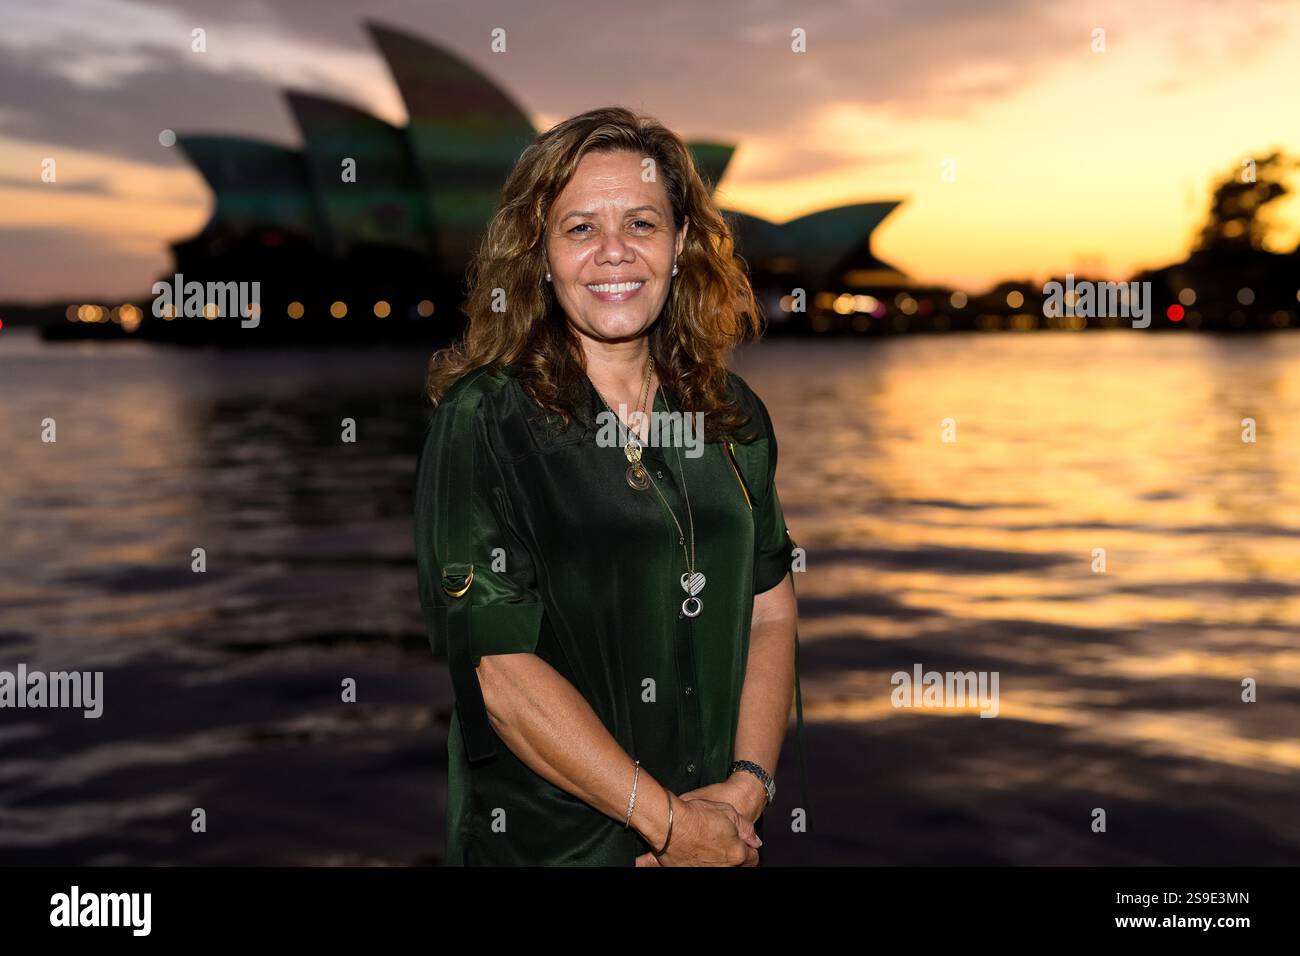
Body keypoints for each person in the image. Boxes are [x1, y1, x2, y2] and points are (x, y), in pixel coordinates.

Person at [414, 105, 802, 866]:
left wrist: (745, 791)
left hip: (722, 838)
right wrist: (668, 825)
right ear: (540, 250)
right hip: (556, 848)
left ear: (682, 241)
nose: (614, 254)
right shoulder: (485, 420)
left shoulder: (731, 416)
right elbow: (500, 672)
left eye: (643, 224)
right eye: (581, 227)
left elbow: (770, 613)